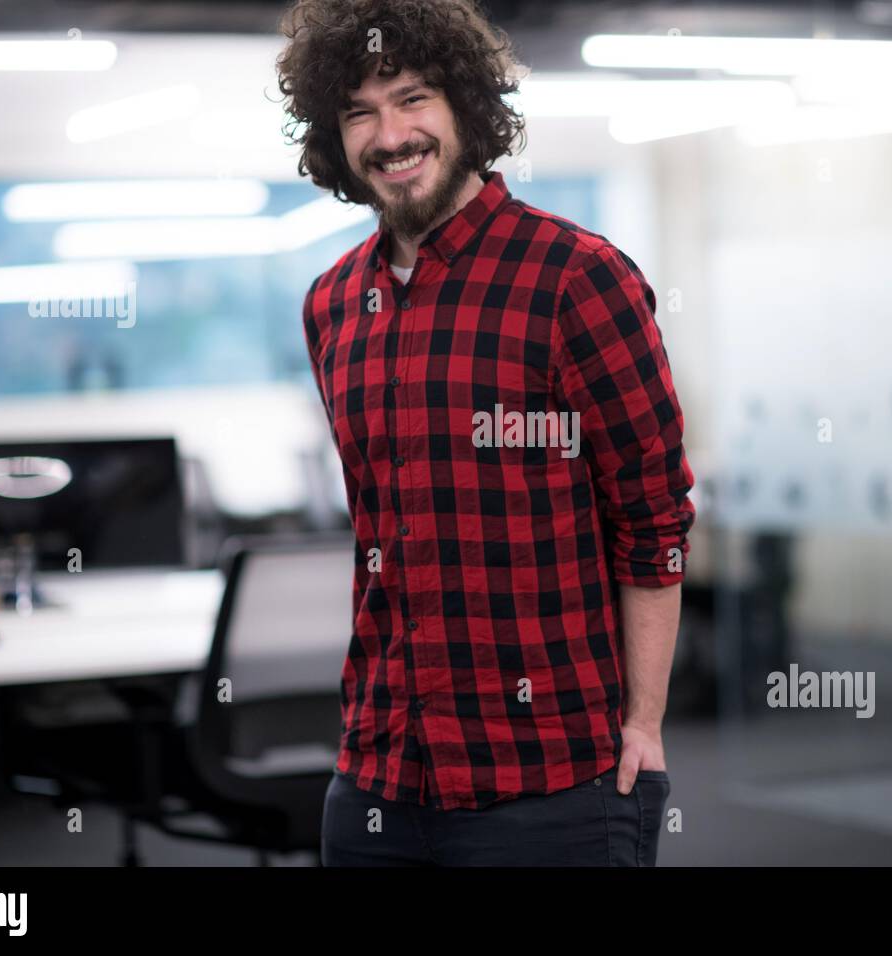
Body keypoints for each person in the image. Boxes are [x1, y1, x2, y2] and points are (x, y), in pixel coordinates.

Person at [277, 0, 696, 866]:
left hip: (551, 779)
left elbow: (653, 521)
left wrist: (645, 725)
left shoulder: (577, 279)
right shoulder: (331, 305)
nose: (390, 134)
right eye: (359, 111)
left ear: (466, 106)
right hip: (379, 776)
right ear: (334, 137)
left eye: (412, 98)